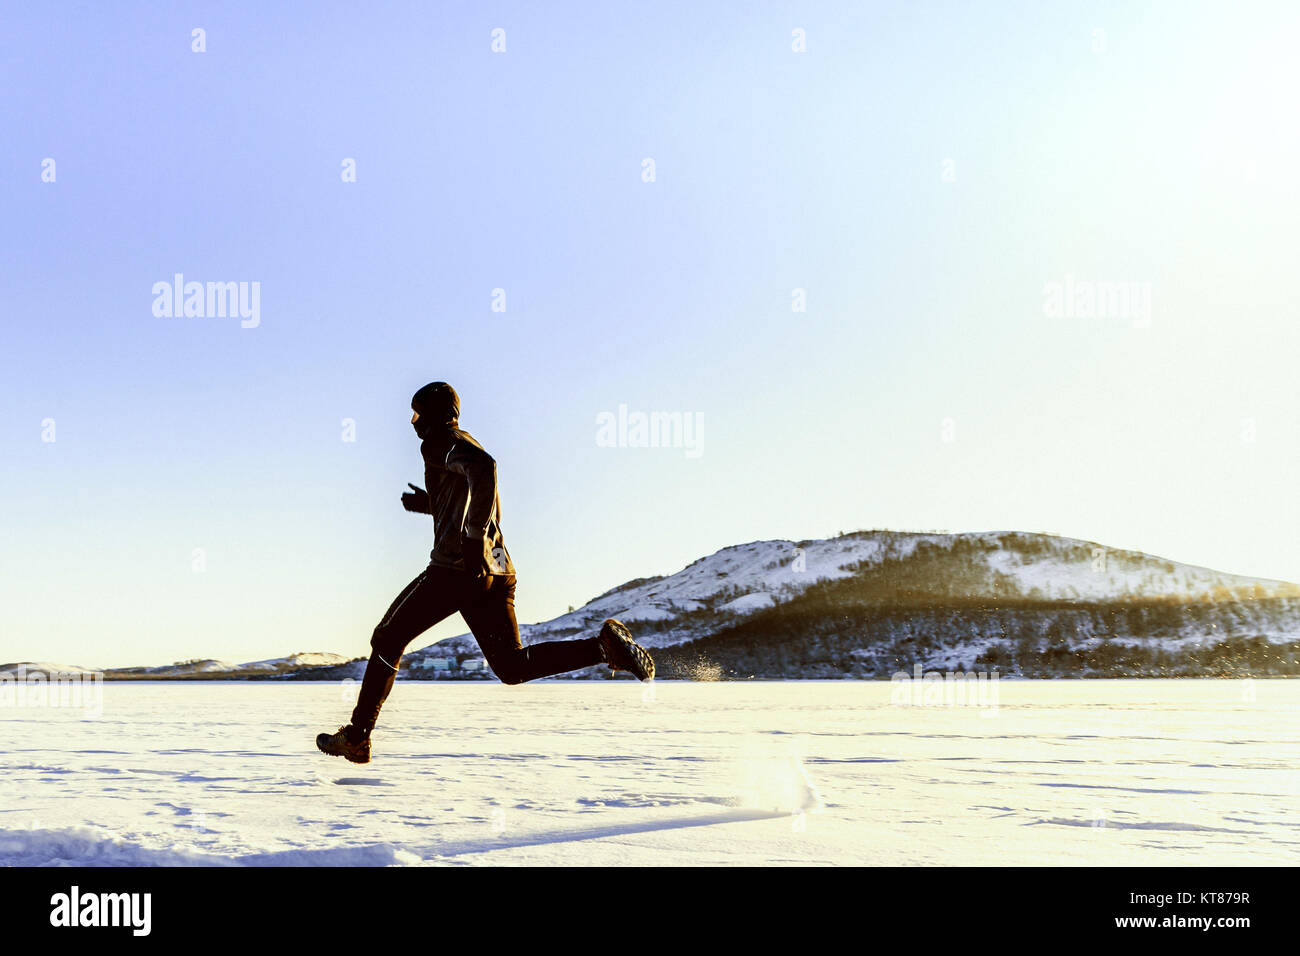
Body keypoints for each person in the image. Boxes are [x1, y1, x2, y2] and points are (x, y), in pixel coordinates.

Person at [317, 381, 654, 764]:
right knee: (511, 666)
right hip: (496, 569)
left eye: (416, 413)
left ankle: (359, 736)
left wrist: (472, 538)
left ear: (432, 415)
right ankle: (603, 647)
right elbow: (470, 487)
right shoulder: (460, 440)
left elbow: (485, 468)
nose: (412, 423)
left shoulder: (439, 440)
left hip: (457, 570)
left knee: (387, 638)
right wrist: (429, 504)